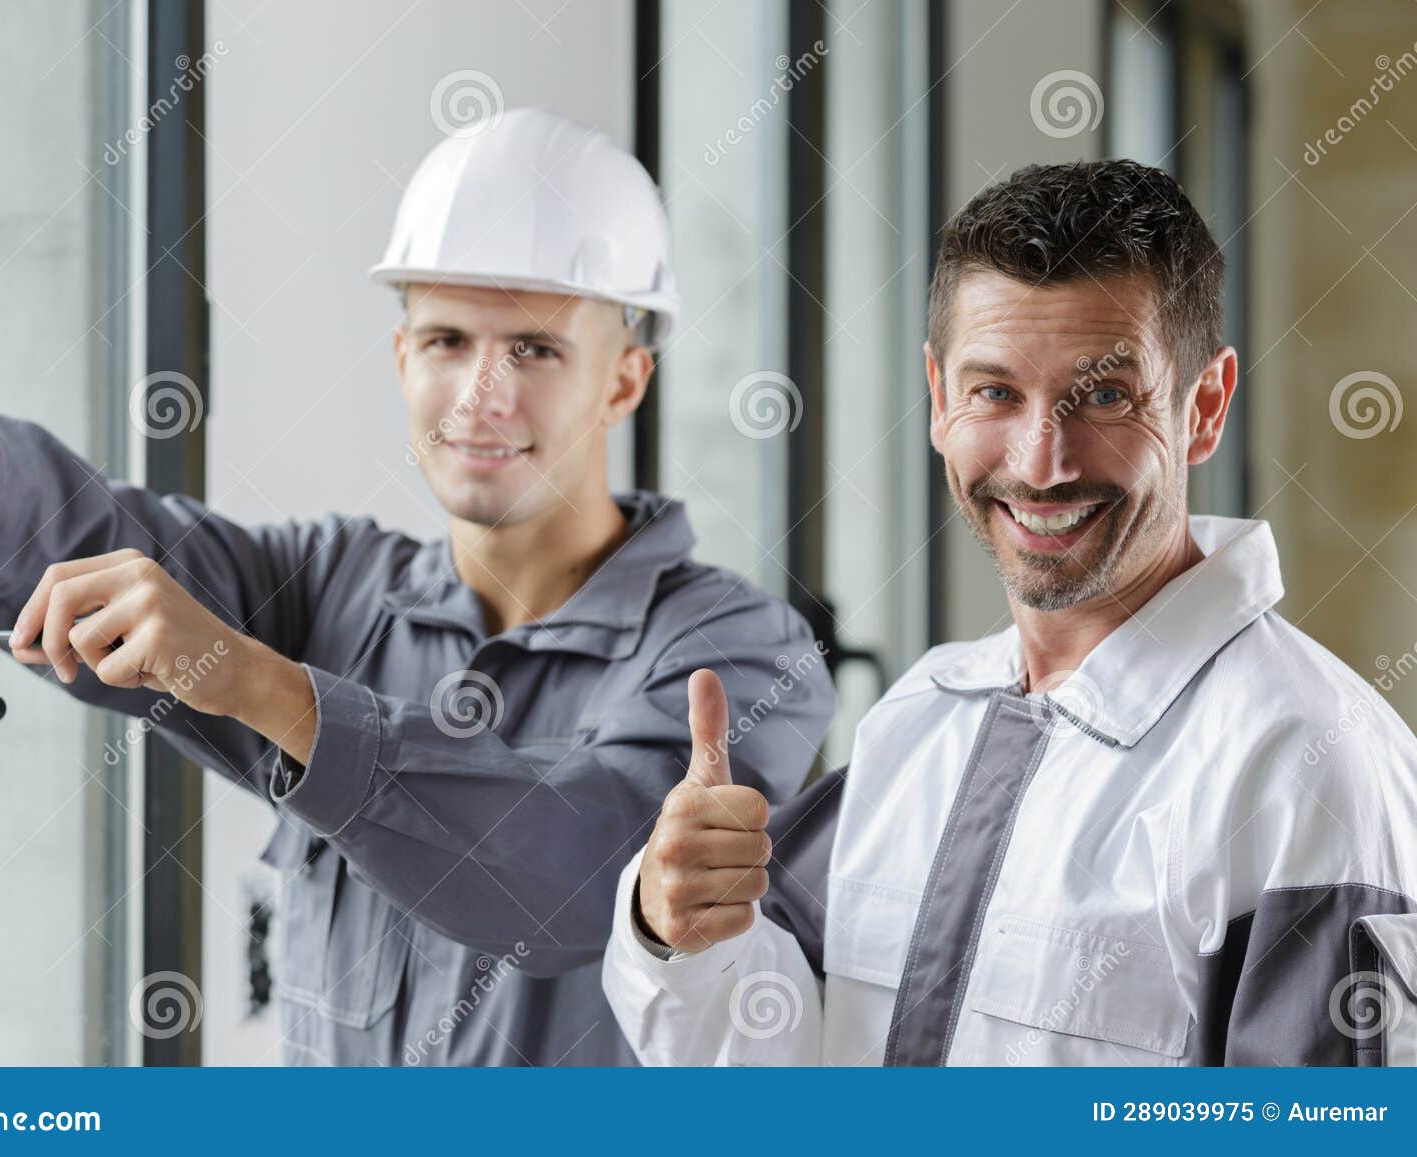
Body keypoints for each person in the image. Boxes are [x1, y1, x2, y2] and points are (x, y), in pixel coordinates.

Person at [0, 108, 834, 1065]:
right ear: (401, 357)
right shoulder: (332, 587)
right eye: (446, 340)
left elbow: (576, 884)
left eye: (533, 346)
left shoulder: (737, 652)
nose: (481, 393)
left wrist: (268, 690)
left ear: (622, 379)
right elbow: (98, 558)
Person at [602, 159, 1417, 1067]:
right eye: (996, 392)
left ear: (1206, 406)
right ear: (941, 400)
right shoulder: (917, 719)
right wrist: (671, 924)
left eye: (1105, 394)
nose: (1041, 462)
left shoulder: (1309, 764)